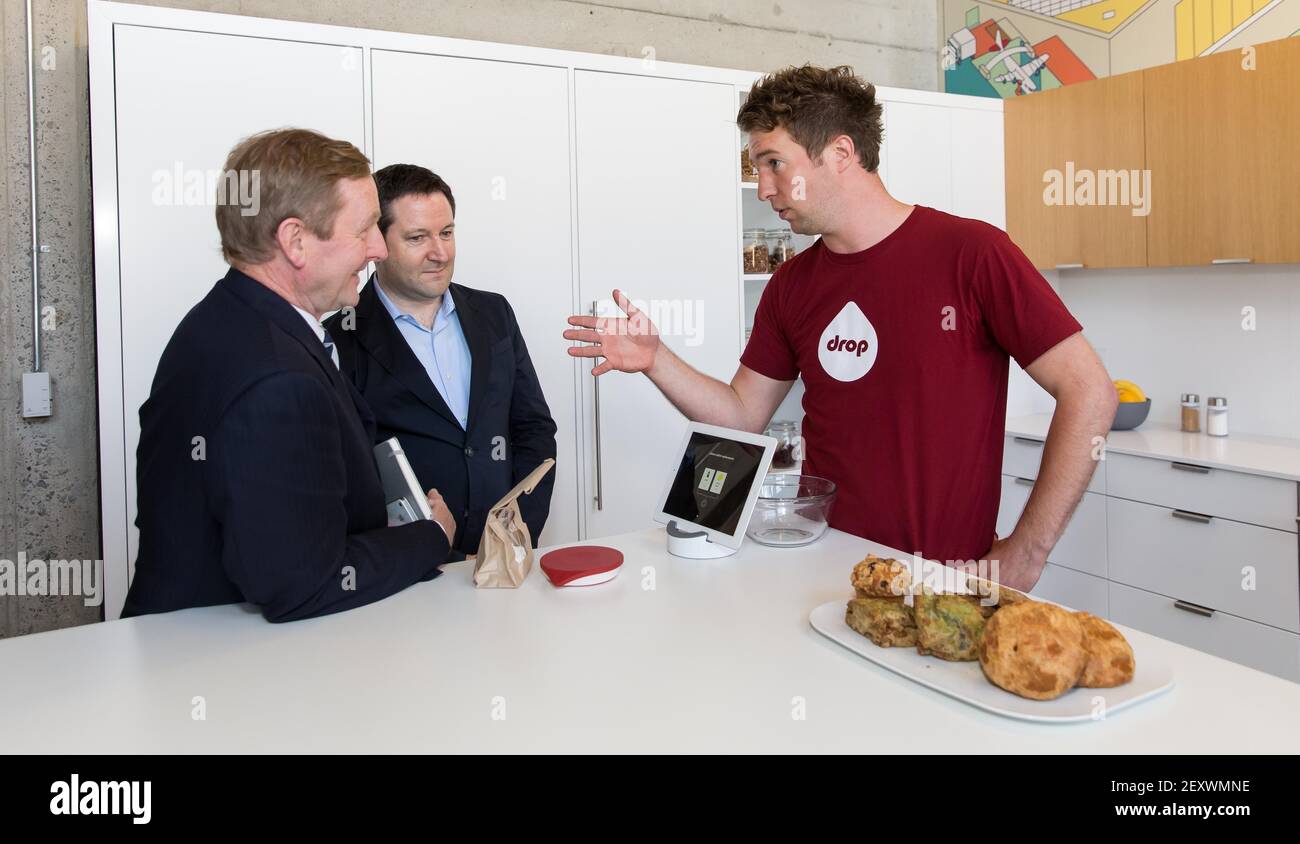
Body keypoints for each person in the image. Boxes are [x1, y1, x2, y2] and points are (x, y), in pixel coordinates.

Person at [563, 65, 1117, 591]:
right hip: (823, 570)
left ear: (841, 153)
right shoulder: (791, 286)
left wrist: (1027, 551)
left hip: (946, 580)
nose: (762, 188)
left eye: (774, 163)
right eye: (756, 167)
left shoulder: (973, 254)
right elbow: (740, 415)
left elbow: (1089, 389)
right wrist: (658, 360)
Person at [122, 129, 457, 621]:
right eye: (364, 229)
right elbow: (302, 583)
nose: (378, 250)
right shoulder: (277, 378)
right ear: (296, 242)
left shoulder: (226, 317)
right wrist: (430, 537)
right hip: (220, 670)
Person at [327, 164, 557, 557]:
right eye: (418, 237)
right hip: (415, 571)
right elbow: (352, 478)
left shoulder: (494, 313)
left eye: (447, 233)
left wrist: (516, 535)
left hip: (505, 562)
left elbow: (534, 429)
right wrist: (435, 550)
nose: (440, 252)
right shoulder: (341, 339)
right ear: (377, 244)